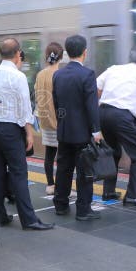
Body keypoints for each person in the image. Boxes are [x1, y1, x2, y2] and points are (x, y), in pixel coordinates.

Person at [0, 38, 53, 231]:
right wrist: (29, 133)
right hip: (11, 129)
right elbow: (24, 107)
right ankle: (29, 220)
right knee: (19, 173)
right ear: (17, 54)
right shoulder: (18, 76)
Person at [97, 46, 136, 207]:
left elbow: (96, 88)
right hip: (122, 117)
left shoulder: (114, 69)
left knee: (114, 152)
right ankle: (133, 196)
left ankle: (108, 192)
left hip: (103, 113)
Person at [52, 35, 101, 221]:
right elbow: (91, 106)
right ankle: (83, 210)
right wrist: (96, 130)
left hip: (64, 131)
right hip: (82, 133)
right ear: (84, 52)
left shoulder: (58, 74)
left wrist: (62, 123)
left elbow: (56, 104)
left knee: (63, 169)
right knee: (84, 172)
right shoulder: (87, 75)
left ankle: (61, 205)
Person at [34, 42, 64, 196]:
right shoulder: (60, 74)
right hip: (60, 121)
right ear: (61, 57)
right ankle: (62, 187)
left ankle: (50, 185)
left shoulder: (40, 74)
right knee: (63, 156)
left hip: (45, 120)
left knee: (49, 155)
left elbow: (37, 95)